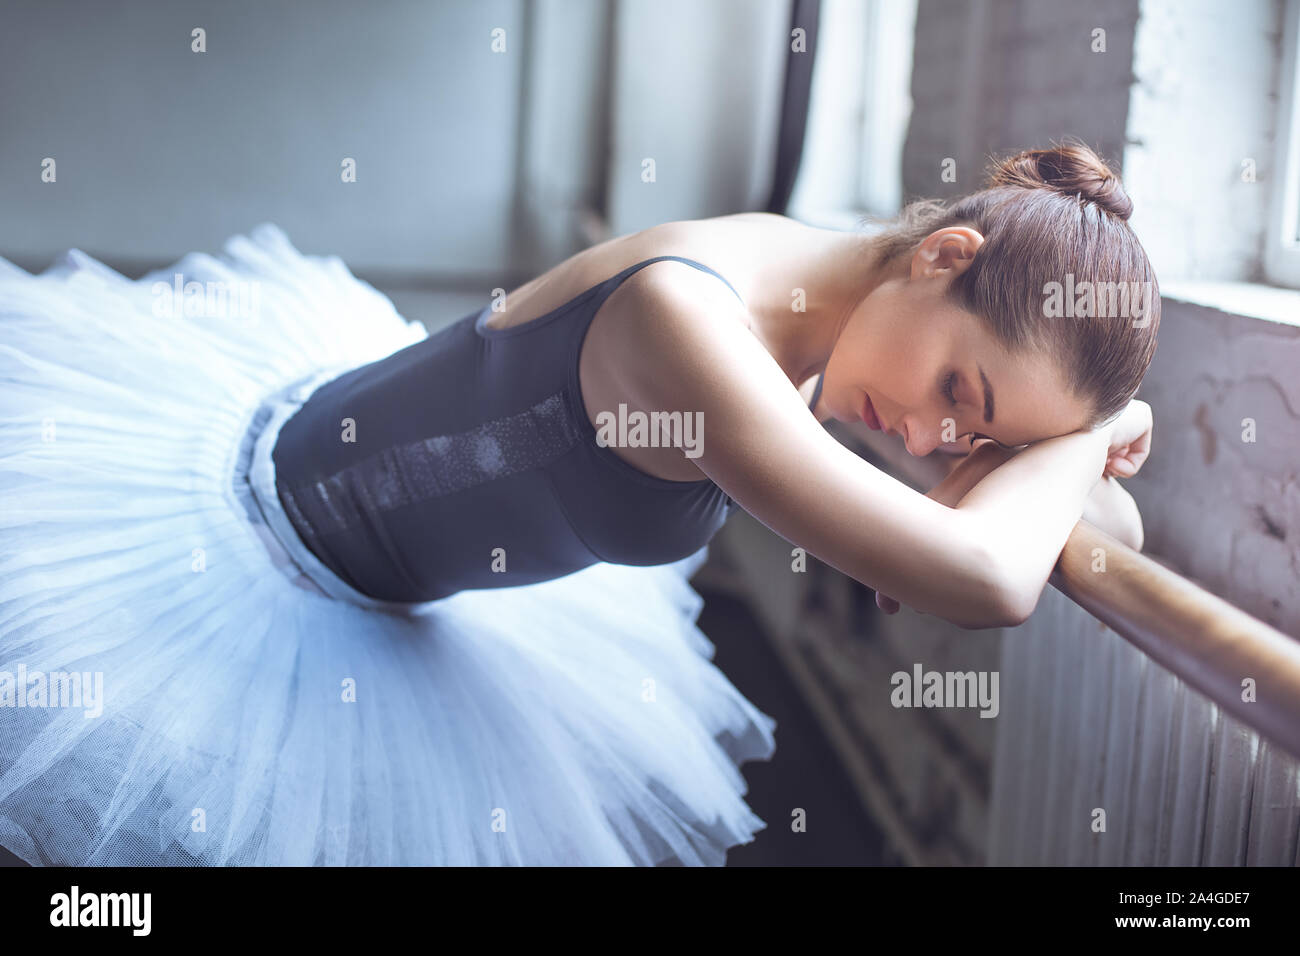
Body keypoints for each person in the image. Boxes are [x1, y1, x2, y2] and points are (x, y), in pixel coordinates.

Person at [0, 142, 1156, 865]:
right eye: (959, 393)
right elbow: (993, 578)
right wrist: (1092, 438)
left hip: (408, 577)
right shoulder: (690, 330)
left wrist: (1055, 443)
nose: (934, 439)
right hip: (270, 546)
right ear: (943, 255)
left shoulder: (831, 309)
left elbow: (1115, 531)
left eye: (978, 436)